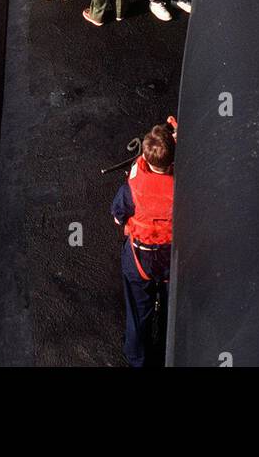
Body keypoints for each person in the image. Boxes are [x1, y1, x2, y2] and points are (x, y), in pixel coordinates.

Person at [111, 119, 177, 368]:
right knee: (173, 307)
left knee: (138, 313)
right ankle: (173, 347)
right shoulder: (183, 188)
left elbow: (118, 216)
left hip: (140, 259)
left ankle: (137, 359)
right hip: (172, 259)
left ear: (147, 159)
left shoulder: (132, 189)